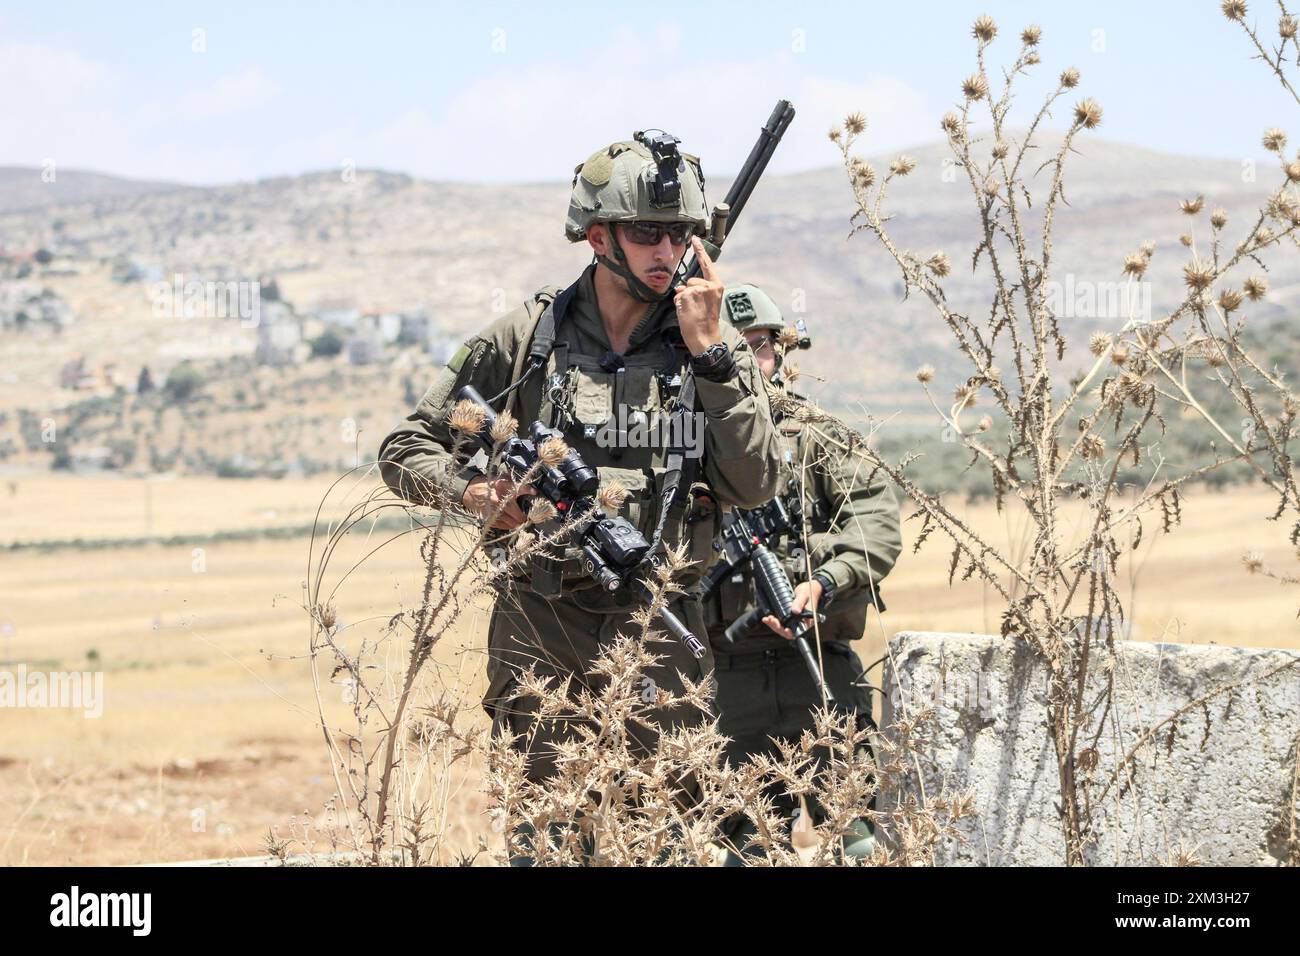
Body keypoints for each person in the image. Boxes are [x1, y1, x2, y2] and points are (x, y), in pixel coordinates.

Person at [378, 134, 784, 858]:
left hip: (662, 629)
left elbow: (755, 482)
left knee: (667, 840)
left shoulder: (708, 349)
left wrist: (714, 357)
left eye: (682, 233)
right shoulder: (526, 341)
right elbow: (410, 446)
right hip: (543, 623)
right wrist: (474, 491)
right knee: (549, 840)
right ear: (599, 237)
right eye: (647, 232)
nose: (668, 249)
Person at [700, 282, 902, 864]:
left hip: (820, 669)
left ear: (783, 354)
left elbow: (876, 525)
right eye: (734, 346)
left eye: (760, 346)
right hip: (726, 680)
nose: (751, 360)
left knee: (860, 837)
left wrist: (821, 577)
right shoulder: (686, 442)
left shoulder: (820, 437)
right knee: (734, 844)